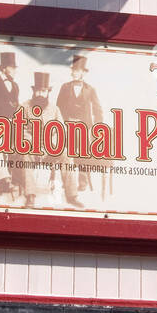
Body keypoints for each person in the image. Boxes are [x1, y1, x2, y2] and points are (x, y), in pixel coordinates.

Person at [55, 54, 102, 208]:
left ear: (83, 73)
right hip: (67, 126)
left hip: (84, 126)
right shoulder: (65, 87)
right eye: (74, 70)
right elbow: (58, 107)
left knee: (84, 149)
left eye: (78, 70)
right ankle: (68, 183)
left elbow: (97, 109)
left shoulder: (90, 89)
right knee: (66, 152)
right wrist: (59, 126)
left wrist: (97, 127)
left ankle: (82, 180)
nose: (75, 72)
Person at [0, 51, 26, 198]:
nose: (15, 70)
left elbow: (16, 105)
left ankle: (16, 180)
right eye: (12, 67)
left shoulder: (15, 85)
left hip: (13, 123)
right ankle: (4, 181)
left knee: (21, 145)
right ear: (3, 68)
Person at [21, 71, 62, 208]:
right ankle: (30, 195)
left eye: (43, 91)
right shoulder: (25, 106)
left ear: (47, 92)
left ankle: (71, 194)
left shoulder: (55, 109)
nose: (40, 94)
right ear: (34, 91)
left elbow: (60, 130)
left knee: (67, 154)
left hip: (51, 147)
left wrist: (51, 146)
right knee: (25, 154)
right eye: (38, 91)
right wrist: (34, 144)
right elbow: (20, 129)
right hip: (32, 146)